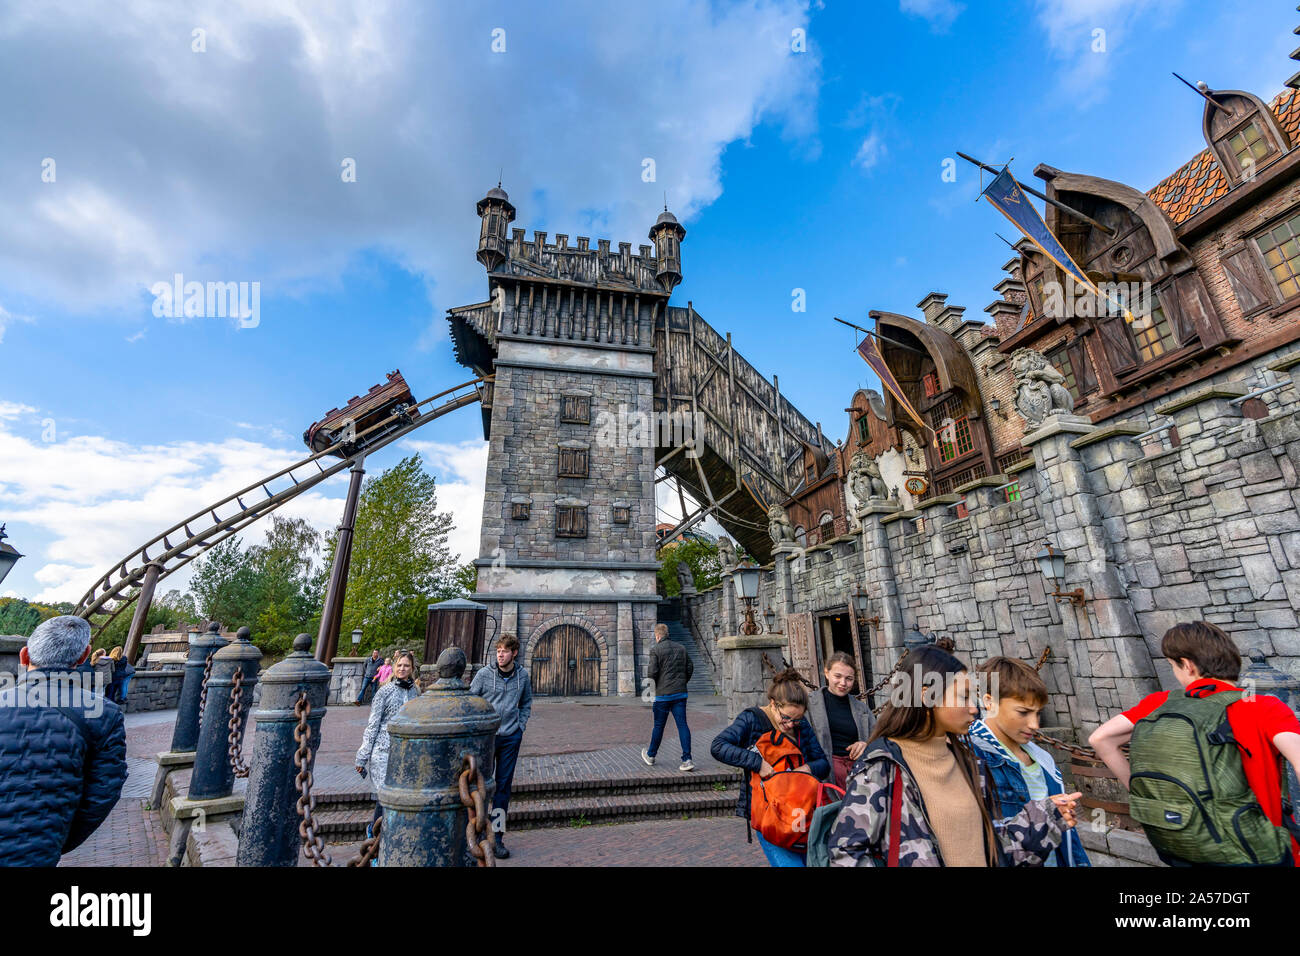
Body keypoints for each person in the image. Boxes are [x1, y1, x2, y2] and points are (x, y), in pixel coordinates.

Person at [828, 645, 1079, 867]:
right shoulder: (882, 767)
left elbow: (987, 849)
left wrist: (1043, 819)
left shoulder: (969, 761)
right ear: (927, 696)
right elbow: (847, 854)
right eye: (963, 696)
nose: (974, 707)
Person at [1090, 621, 1300, 866]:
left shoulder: (1159, 703)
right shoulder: (1263, 707)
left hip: (1191, 846)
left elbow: (1100, 739)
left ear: (1187, 666)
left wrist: (1147, 796)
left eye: (1172, 666)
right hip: (1260, 851)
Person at [0, 616, 128, 866]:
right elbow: (102, 794)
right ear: (83, 656)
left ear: (24, 656)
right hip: (37, 852)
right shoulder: (104, 713)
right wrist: (55, 839)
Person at [969, 656, 1089, 867]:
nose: (1034, 724)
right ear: (989, 702)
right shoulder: (972, 756)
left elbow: (1068, 838)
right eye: (1023, 712)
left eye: (1038, 713)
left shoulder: (1042, 758)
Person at [710, 668, 830, 866]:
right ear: (773, 705)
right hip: (768, 811)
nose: (791, 724)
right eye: (786, 718)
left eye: (797, 719)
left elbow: (823, 763)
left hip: (801, 811)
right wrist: (758, 763)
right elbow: (719, 746)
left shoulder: (801, 725)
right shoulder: (751, 719)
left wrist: (805, 770)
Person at [470, 633, 533, 859]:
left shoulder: (523, 676)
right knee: (482, 787)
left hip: (510, 738)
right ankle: (478, 833)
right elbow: (471, 700)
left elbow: (526, 702)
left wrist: (520, 726)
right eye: (498, 651)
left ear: (514, 653)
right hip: (487, 738)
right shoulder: (484, 675)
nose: (500, 654)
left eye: (505, 651)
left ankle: (497, 836)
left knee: (503, 788)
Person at [355, 649, 420, 835]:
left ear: (412, 668)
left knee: (399, 796)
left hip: (405, 752)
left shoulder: (416, 692)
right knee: (384, 797)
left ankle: (390, 835)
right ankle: (373, 833)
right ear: (393, 667)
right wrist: (362, 756)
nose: (402, 668)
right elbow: (372, 725)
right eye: (399, 665)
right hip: (383, 750)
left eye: (406, 665)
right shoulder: (384, 692)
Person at [806, 652, 876, 789]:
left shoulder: (861, 709)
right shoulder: (809, 704)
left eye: (849, 678)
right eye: (837, 676)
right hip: (825, 773)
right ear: (827, 673)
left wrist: (865, 744)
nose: (843, 683)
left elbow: (879, 737)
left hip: (857, 771)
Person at [642, 623, 694, 772]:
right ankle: (687, 759)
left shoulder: (656, 650)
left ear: (657, 636)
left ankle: (651, 755)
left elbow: (651, 673)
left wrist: (654, 689)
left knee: (659, 726)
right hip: (680, 693)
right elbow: (690, 667)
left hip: (663, 695)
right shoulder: (681, 648)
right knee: (682, 725)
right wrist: (682, 682)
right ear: (667, 634)